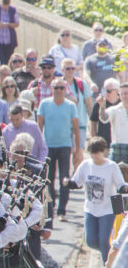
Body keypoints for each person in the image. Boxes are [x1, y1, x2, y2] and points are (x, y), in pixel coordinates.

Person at [63, 136, 127, 264]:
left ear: (104, 151)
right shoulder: (86, 165)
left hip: (107, 209)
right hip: (91, 208)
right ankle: (108, 251)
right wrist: (67, 183)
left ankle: (107, 266)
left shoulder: (111, 166)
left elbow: (121, 186)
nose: (95, 156)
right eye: (92, 153)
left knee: (104, 240)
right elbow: (77, 183)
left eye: (97, 153)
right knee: (90, 240)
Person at [38, 78, 80, 222]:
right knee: (48, 179)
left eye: (62, 88)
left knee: (65, 178)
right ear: (52, 89)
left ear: (65, 89)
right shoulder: (44, 104)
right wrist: (39, 147)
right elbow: (39, 127)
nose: (59, 91)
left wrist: (78, 149)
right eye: (56, 88)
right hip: (48, 146)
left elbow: (76, 129)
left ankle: (62, 210)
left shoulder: (70, 106)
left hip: (64, 145)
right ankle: (50, 207)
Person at [96, 80, 128, 163]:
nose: (125, 96)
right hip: (117, 150)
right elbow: (104, 118)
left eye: (127, 93)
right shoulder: (115, 110)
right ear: (119, 95)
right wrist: (102, 106)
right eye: (122, 94)